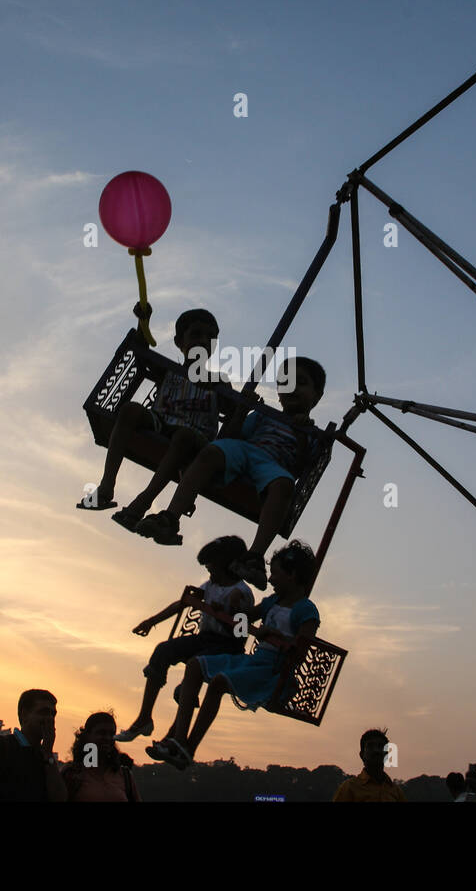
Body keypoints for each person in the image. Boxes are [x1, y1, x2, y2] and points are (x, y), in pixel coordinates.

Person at [136, 356, 326, 589]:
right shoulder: (264, 414)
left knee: (285, 485)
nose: (292, 388)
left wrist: (301, 433)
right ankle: (170, 517)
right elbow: (232, 436)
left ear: (317, 396)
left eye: (302, 383)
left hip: (273, 467)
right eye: (286, 383)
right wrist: (241, 411)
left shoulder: (312, 433)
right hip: (247, 450)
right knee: (211, 452)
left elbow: (299, 469)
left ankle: (254, 556)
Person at [146, 540, 319, 769]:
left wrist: (275, 636)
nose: (270, 580)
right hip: (253, 662)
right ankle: (179, 739)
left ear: (292, 575)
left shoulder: (305, 610)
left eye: (275, 574)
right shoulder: (272, 602)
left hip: (272, 671)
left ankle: (189, 747)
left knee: (219, 682)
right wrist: (232, 608)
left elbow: (300, 651)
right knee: (196, 665)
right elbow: (242, 625)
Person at [80, 308, 220, 522]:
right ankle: (106, 486)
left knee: (183, 437)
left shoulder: (218, 382)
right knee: (130, 410)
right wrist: (143, 322)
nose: (203, 341)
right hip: (163, 422)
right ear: (179, 342)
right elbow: (141, 352)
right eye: (196, 334)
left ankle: (143, 501)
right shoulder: (169, 370)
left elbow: (233, 413)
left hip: (195, 437)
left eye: (210, 337)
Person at [116, 535, 255, 742]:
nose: (209, 572)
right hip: (205, 638)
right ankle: (144, 717)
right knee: (162, 651)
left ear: (227, 565)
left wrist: (229, 612)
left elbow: (241, 633)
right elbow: (181, 604)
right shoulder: (211, 586)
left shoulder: (242, 592)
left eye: (212, 568)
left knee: (193, 671)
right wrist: (151, 621)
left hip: (227, 646)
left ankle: (174, 735)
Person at [0, 689, 67, 802]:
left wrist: (48, 754)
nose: (50, 718)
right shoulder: (0, 746)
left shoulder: (45, 757)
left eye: (53, 714)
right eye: (43, 712)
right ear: (24, 715)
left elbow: (60, 798)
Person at [62, 712, 140, 802]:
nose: (107, 738)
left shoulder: (125, 775)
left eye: (112, 734)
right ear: (87, 736)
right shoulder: (71, 773)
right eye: (102, 733)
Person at [332, 729, 407, 801]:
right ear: (362, 755)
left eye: (380, 746)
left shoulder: (396, 791)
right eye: (370, 746)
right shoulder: (349, 788)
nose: (376, 750)